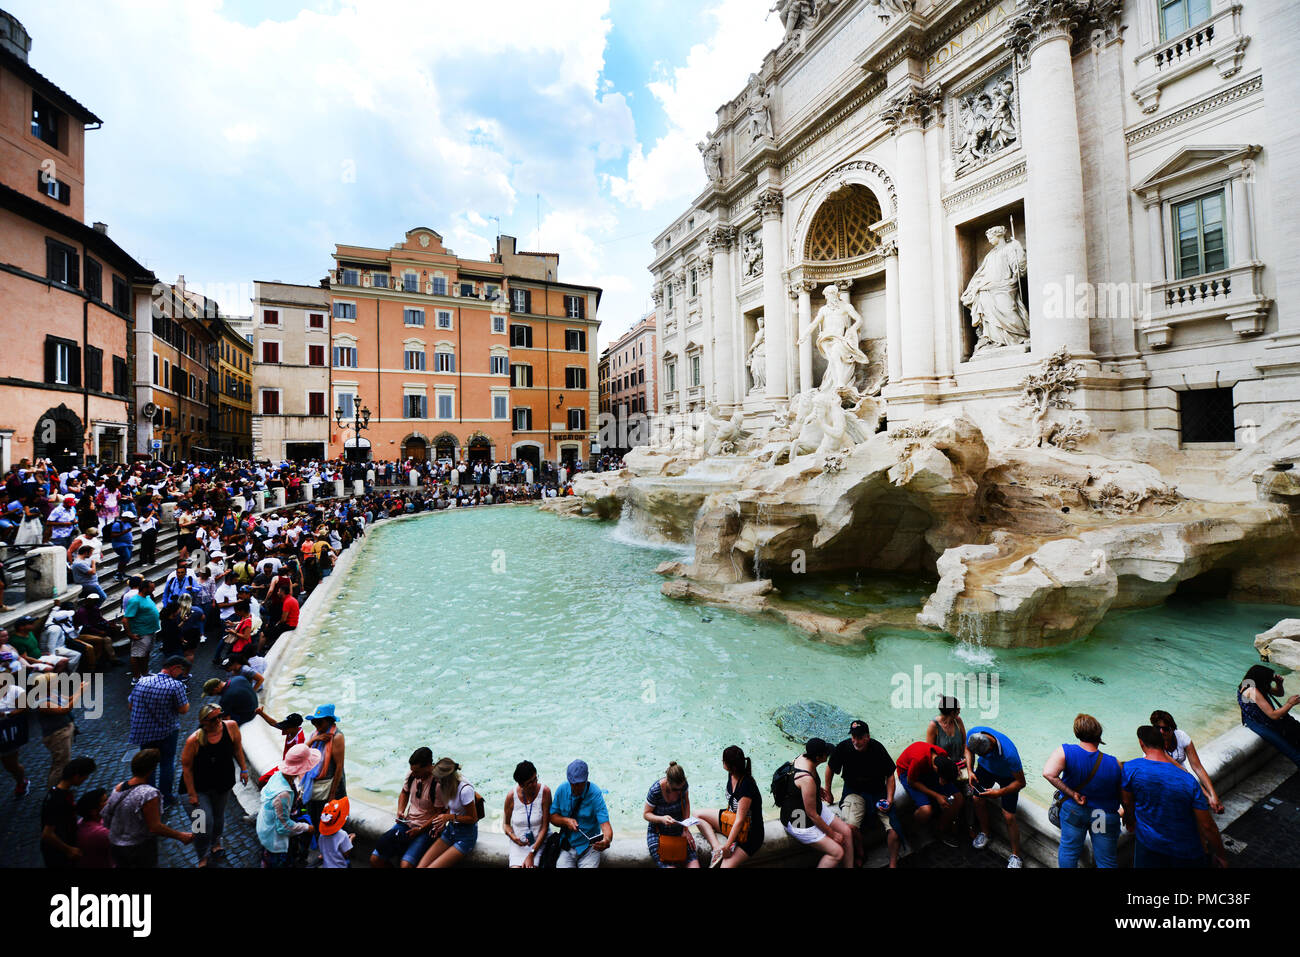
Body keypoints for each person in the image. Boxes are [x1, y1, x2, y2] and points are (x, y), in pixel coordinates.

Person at [1122, 725, 1228, 868]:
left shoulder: (1130, 768)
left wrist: (1130, 820)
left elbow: (1127, 802)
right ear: (1163, 744)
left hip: (1148, 844)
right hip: (1185, 851)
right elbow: (1207, 826)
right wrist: (1221, 856)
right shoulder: (1188, 781)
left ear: (1141, 743)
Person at [1041, 714, 1125, 869]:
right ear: (1098, 734)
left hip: (1075, 811)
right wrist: (1129, 814)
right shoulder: (1115, 763)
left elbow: (1048, 773)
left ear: (1077, 733)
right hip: (1101, 815)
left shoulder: (1066, 751)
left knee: (1069, 851)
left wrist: (1072, 793)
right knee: (1106, 861)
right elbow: (1123, 795)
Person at [823, 719, 901, 867]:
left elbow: (890, 774)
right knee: (850, 827)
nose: (856, 741)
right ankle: (860, 853)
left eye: (859, 738)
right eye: (853, 737)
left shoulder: (877, 748)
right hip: (854, 791)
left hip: (878, 791)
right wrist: (828, 790)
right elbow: (830, 768)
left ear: (867, 737)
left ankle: (893, 864)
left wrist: (889, 799)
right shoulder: (844, 747)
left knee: (894, 831)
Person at [180, 703, 250, 867]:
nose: (218, 720)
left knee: (218, 818)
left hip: (222, 784)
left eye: (220, 716)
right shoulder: (194, 740)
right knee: (202, 825)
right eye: (213, 719)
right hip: (197, 789)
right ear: (204, 722)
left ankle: (216, 843)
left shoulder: (231, 727)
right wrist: (191, 794)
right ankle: (201, 855)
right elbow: (186, 767)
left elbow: (237, 749)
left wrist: (244, 769)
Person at [101, 748, 195, 867]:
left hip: (116, 844)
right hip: (138, 847)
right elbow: (154, 827)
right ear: (151, 769)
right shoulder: (149, 794)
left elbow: (106, 814)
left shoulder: (119, 787)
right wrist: (180, 836)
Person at [126, 656, 190, 806]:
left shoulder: (142, 681)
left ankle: (149, 796)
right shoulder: (176, 685)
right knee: (167, 763)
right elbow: (183, 709)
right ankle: (166, 796)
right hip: (167, 731)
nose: (182, 673)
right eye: (181, 670)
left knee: (148, 764)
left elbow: (131, 705)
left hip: (144, 732)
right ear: (174, 668)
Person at [692, 745, 763, 868]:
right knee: (697, 815)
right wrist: (720, 847)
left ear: (731, 766)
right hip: (731, 819)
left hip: (749, 835)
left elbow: (740, 820)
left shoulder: (746, 786)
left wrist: (727, 847)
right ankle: (716, 847)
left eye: (723, 761)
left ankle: (722, 848)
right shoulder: (731, 774)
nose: (722, 762)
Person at [371, 747, 443, 868]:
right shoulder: (411, 775)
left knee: (406, 865)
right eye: (412, 771)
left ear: (428, 766)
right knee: (375, 859)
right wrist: (400, 810)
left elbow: (440, 814)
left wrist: (420, 830)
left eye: (417, 772)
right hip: (407, 823)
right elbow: (404, 792)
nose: (414, 775)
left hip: (426, 829)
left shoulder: (438, 784)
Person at [966, 726, 1027, 868]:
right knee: (977, 799)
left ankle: (1016, 855)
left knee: (1009, 817)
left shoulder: (1009, 754)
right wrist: (970, 770)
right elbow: (967, 749)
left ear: (992, 746)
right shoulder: (973, 734)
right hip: (985, 770)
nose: (983, 757)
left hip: (1008, 777)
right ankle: (985, 833)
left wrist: (999, 793)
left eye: (985, 754)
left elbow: (1021, 782)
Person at [1149, 710, 1225, 813]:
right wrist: (1208, 796)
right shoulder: (1154, 745)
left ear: (1172, 728)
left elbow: (1197, 767)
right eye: (1158, 728)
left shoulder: (1181, 736)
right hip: (1162, 780)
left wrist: (1214, 795)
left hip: (1182, 776)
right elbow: (1183, 772)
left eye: (1165, 729)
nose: (1161, 732)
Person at [257, 743, 319, 868]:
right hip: (275, 839)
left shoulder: (278, 775)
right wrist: (307, 827)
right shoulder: (283, 793)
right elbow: (283, 827)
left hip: (265, 828)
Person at [416, 758, 480, 868]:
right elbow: (452, 808)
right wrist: (441, 823)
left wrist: (449, 817)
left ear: (446, 779)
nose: (436, 781)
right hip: (450, 830)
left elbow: (473, 818)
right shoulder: (447, 786)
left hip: (465, 836)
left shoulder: (465, 790)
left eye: (438, 779)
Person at [895, 739, 963, 843]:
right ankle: (911, 828)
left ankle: (940, 828)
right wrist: (937, 796)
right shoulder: (918, 760)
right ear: (936, 770)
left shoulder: (942, 755)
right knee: (926, 810)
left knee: (958, 798)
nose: (942, 783)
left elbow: (949, 764)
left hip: (927, 771)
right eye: (942, 780)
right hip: (908, 773)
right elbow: (911, 781)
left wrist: (954, 770)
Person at [550, 759, 613, 868]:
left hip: (589, 848)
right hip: (567, 846)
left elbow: (605, 825)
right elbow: (552, 817)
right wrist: (566, 821)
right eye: (573, 784)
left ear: (587, 779)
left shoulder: (595, 793)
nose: (576, 787)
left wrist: (606, 840)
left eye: (580, 784)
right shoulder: (561, 789)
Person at [1236, 665, 1300, 767]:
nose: (1270, 682)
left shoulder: (1249, 682)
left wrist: (1279, 684)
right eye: (1269, 680)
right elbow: (1273, 715)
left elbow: (1279, 693)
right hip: (1259, 723)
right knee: (1291, 750)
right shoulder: (1252, 691)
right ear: (1261, 679)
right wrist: (1290, 703)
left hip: (1260, 719)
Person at [30, 673, 87, 788]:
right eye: (54, 681)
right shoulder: (42, 702)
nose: (58, 681)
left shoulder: (53, 692)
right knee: (60, 765)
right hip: (57, 735)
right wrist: (79, 692)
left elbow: (69, 700)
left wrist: (78, 691)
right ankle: (55, 791)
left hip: (64, 730)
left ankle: (62, 787)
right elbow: (64, 709)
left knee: (61, 762)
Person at [40, 756, 96, 868]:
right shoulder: (58, 799)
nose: (85, 780)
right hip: (57, 851)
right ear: (76, 776)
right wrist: (69, 850)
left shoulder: (61, 792)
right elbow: (47, 834)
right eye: (85, 777)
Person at [644, 761, 699, 868]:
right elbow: (646, 814)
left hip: (679, 828)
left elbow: (686, 804)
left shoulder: (683, 786)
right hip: (658, 831)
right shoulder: (655, 791)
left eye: (681, 788)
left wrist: (685, 829)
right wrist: (662, 819)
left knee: (695, 864)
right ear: (667, 781)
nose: (679, 792)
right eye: (675, 789)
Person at [300, 704, 346, 828]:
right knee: (314, 816)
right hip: (315, 785)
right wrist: (315, 739)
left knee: (329, 819)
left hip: (330, 785)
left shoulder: (337, 737)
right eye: (314, 722)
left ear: (330, 721)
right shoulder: (316, 734)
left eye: (320, 722)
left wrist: (332, 794)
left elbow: (339, 767)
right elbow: (302, 753)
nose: (316, 725)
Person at [503, 759, 550, 868]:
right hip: (518, 845)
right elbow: (506, 824)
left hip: (538, 843)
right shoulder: (511, 796)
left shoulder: (545, 792)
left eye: (535, 779)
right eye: (530, 782)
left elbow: (545, 827)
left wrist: (532, 853)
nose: (534, 784)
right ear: (521, 784)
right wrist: (513, 837)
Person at [123, 578, 161, 679]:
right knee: (137, 655)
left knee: (145, 653)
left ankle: (145, 673)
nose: (153, 590)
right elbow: (125, 619)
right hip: (141, 632)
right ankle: (136, 677)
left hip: (150, 630)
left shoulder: (147, 597)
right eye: (152, 588)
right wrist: (130, 634)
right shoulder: (135, 601)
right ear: (144, 589)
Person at [75, 788, 114, 868]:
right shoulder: (100, 833)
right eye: (105, 801)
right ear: (93, 811)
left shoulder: (81, 822)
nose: (109, 802)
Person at [318, 797, 353, 868]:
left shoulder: (322, 834)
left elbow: (322, 852)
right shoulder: (343, 835)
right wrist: (350, 839)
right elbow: (346, 853)